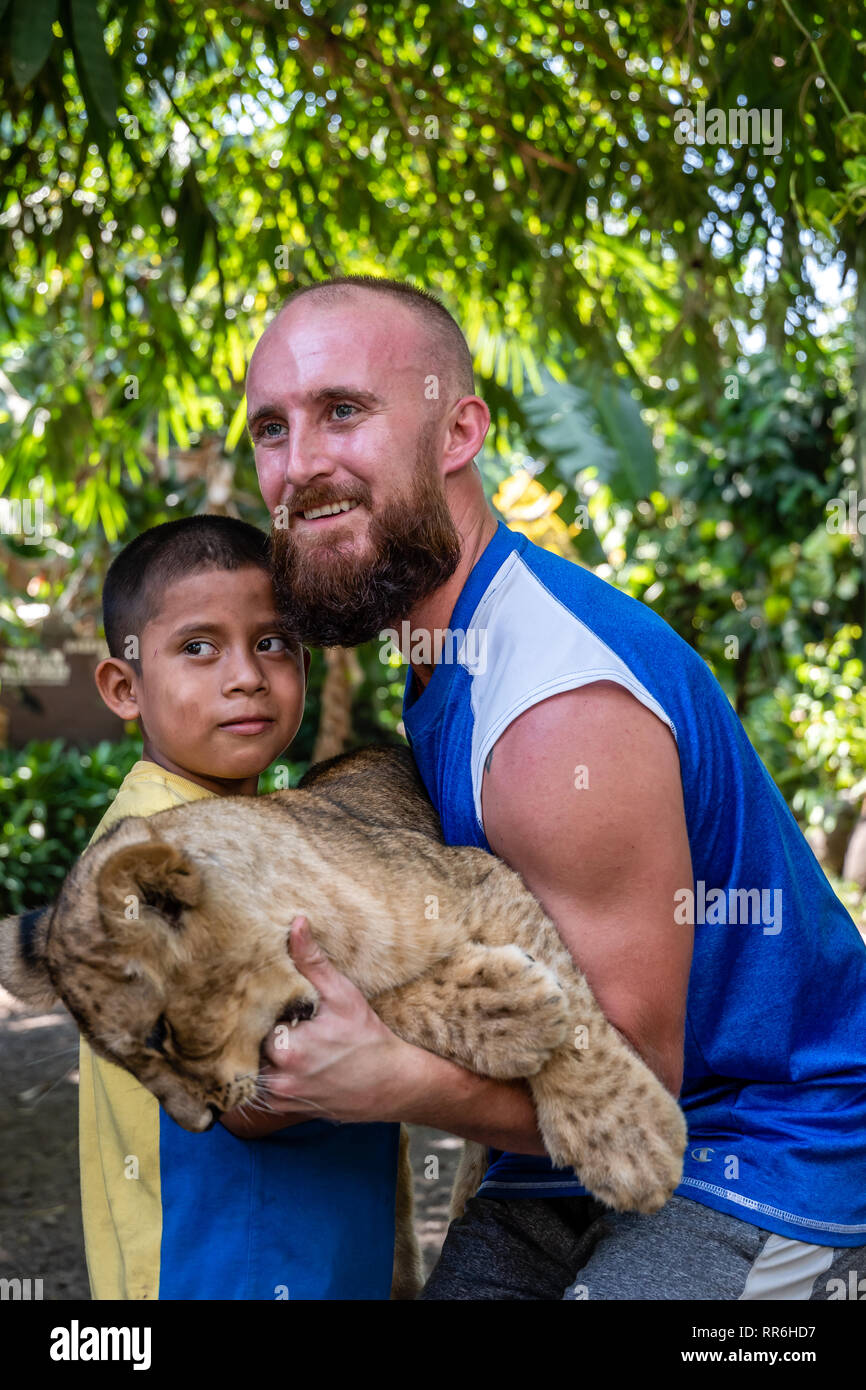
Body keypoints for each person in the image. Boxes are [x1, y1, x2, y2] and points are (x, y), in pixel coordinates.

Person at [240, 274, 866, 1300]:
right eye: (271, 428)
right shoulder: (444, 642)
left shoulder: (551, 712)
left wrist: (389, 1080)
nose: (300, 464)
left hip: (771, 1137)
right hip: (580, 1146)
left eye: (343, 410)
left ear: (457, 433)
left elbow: (632, 1083)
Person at [80, 513, 401, 1299]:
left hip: (305, 1255)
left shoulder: (249, 828)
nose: (247, 676)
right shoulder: (160, 856)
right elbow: (252, 1095)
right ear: (125, 687)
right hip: (222, 1265)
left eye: (273, 643)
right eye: (199, 647)